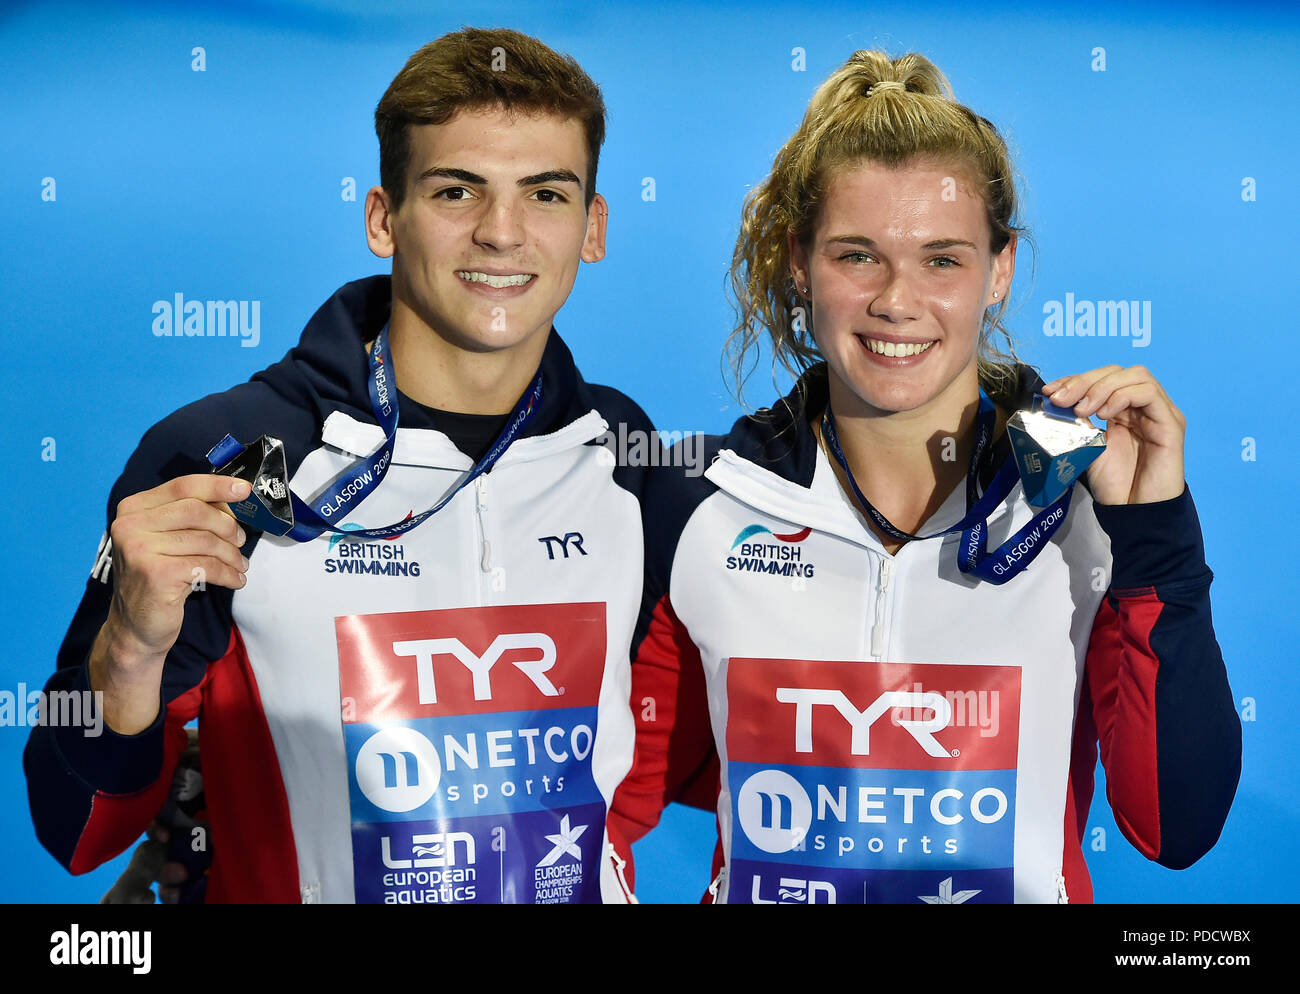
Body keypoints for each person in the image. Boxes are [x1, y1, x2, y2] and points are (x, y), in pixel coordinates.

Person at [26, 27, 649, 905]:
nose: (502, 233)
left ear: (594, 227)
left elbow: (655, 733)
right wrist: (128, 650)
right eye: (456, 189)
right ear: (382, 218)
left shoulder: (627, 456)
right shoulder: (227, 454)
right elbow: (75, 826)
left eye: (545, 194)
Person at [608, 50, 1241, 903]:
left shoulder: (1083, 506)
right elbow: (600, 811)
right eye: (857, 256)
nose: (898, 301)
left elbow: (1176, 825)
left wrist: (1156, 539)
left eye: (943, 259)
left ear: (1001, 268)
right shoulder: (704, 505)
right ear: (799, 262)